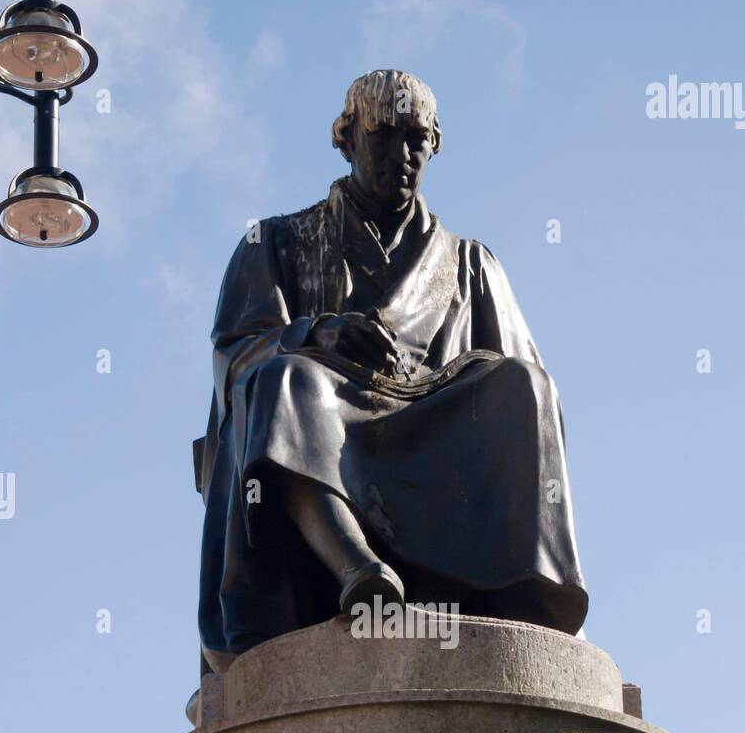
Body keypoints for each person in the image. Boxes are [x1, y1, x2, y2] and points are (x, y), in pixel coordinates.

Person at [196, 69, 588, 672]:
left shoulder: (470, 264)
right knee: (282, 380)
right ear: (347, 139)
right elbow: (237, 353)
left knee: (525, 387)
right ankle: (357, 567)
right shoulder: (276, 242)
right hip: (334, 408)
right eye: (384, 138)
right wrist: (318, 334)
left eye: (416, 141)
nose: (402, 156)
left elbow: (521, 375)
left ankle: (524, 602)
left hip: (435, 417)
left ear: (434, 145)